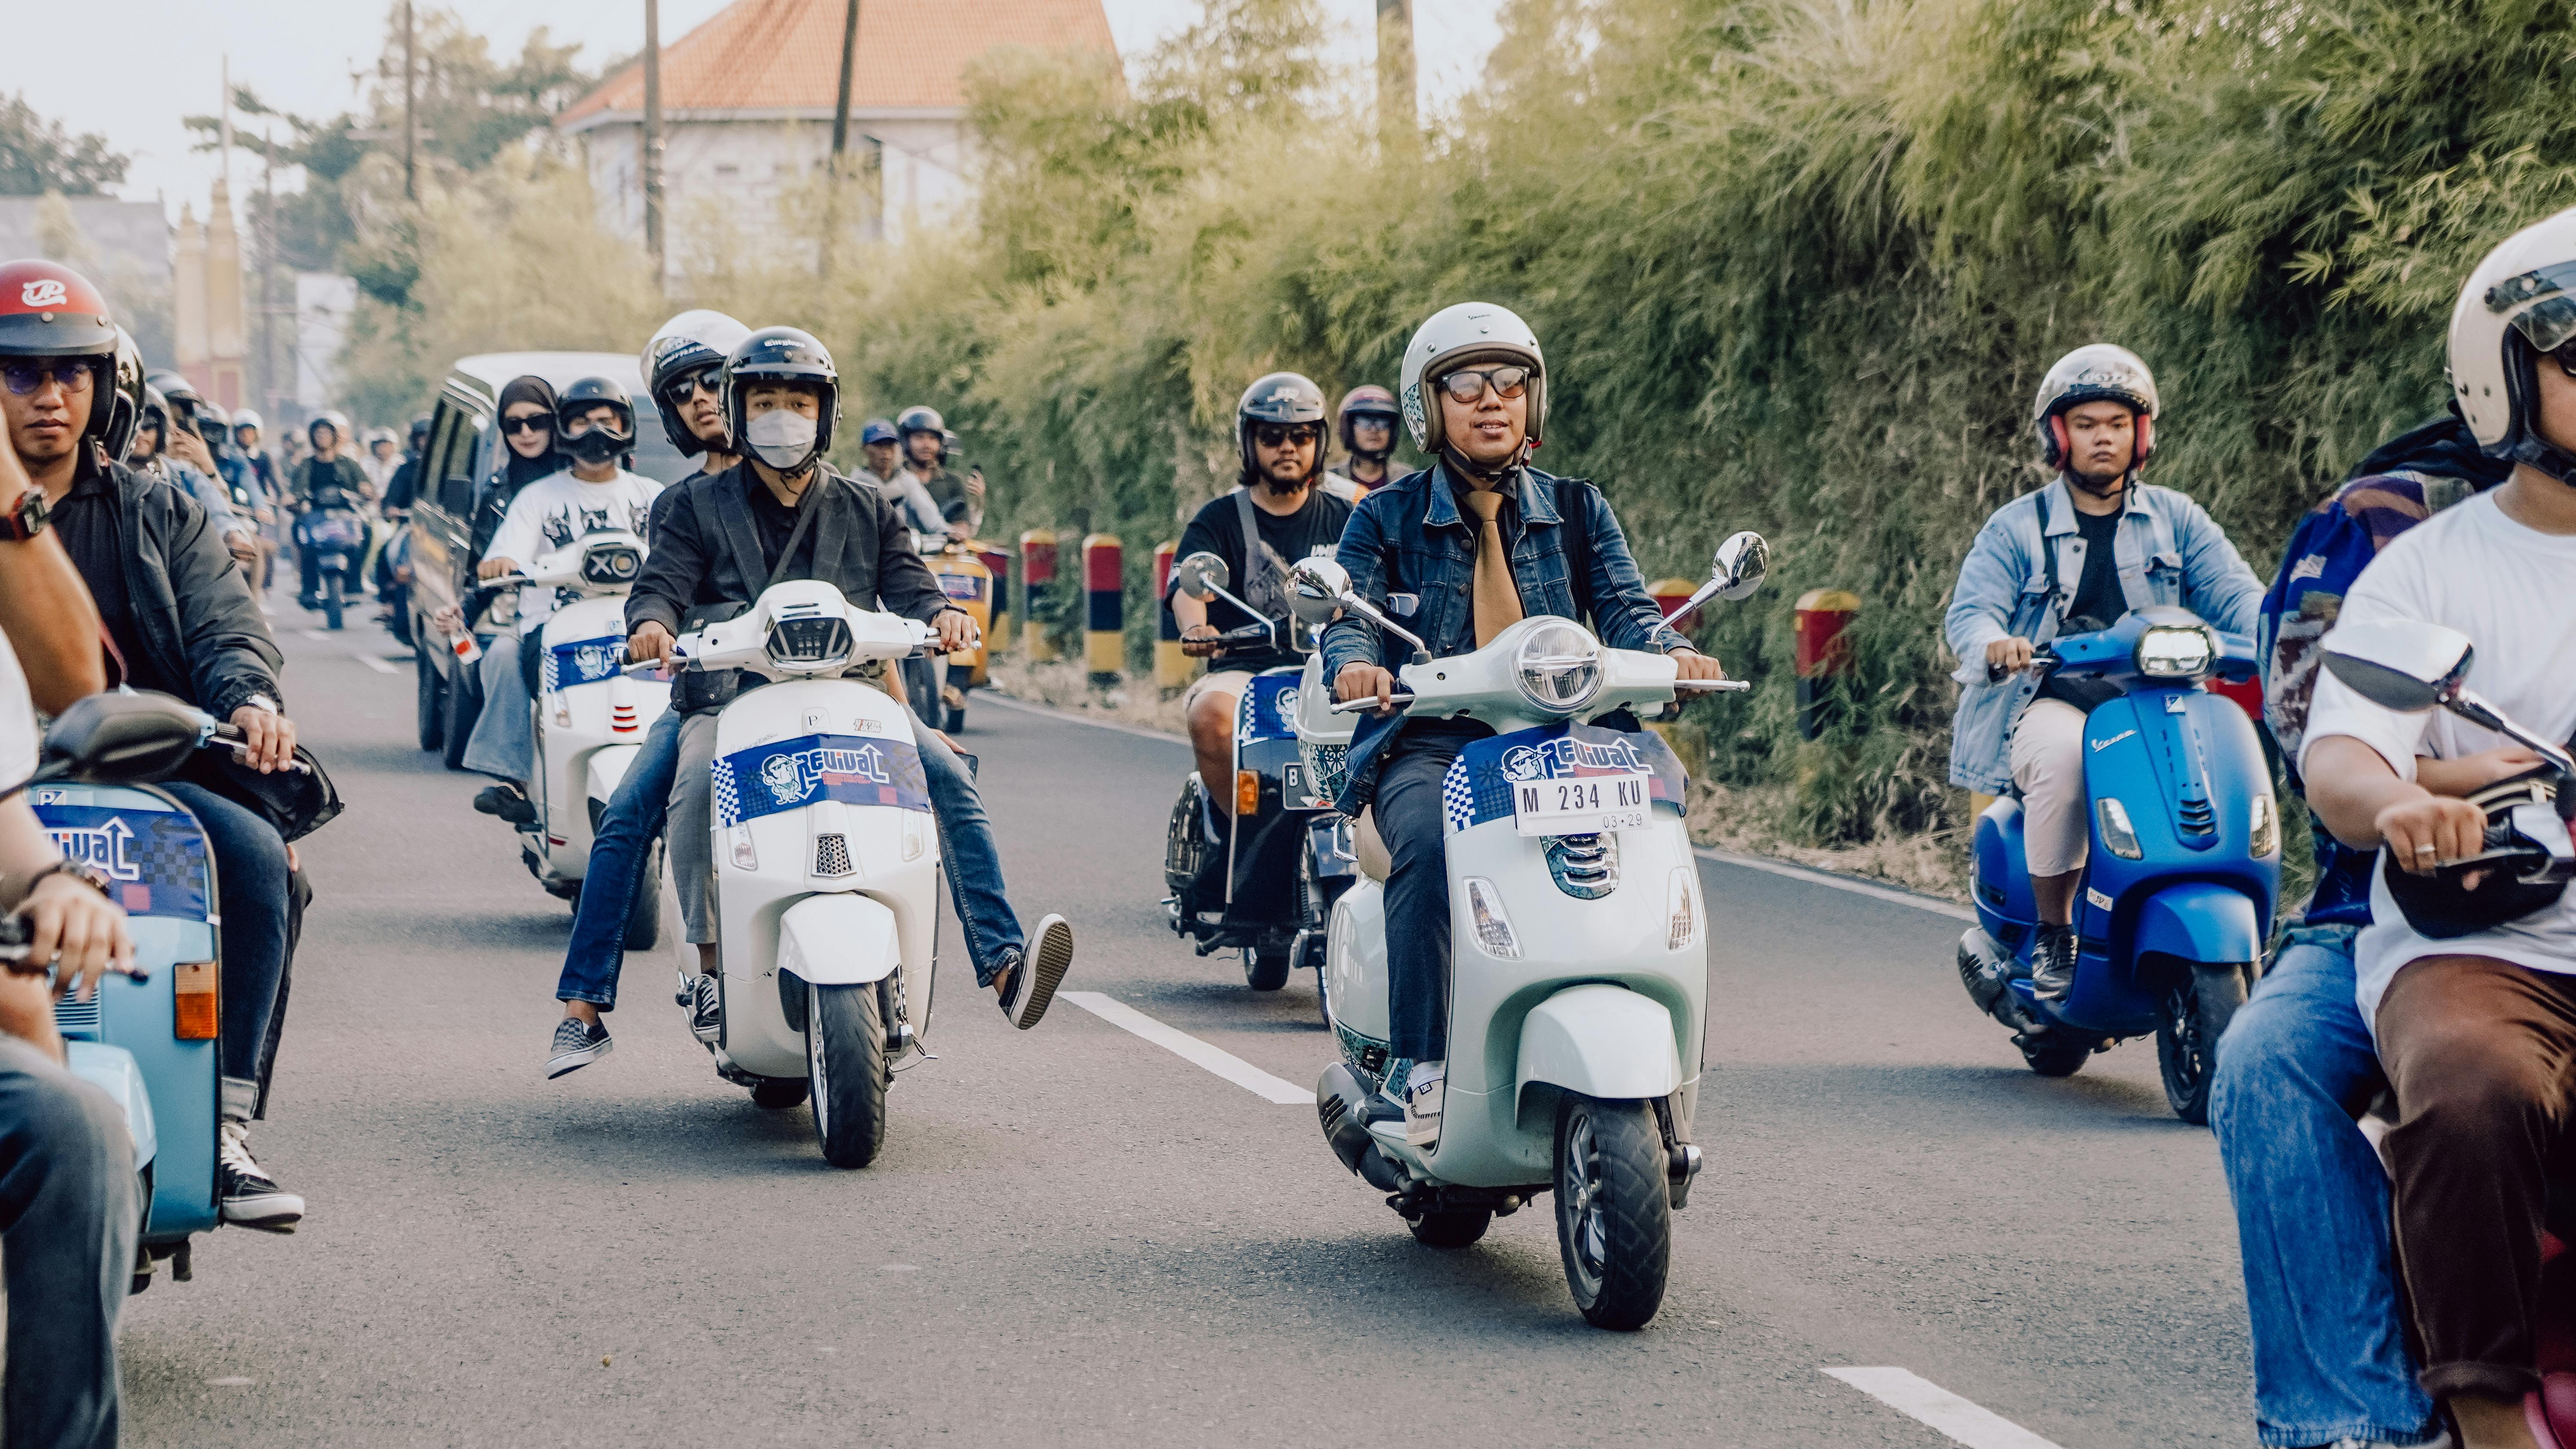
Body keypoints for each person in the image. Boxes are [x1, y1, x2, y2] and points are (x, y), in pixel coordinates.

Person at [550, 327, 1073, 1074]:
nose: (782, 415)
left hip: (849, 695)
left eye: (798, 401)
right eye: (764, 401)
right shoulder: (689, 506)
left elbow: (915, 589)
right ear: (739, 410)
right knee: (660, 797)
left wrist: (946, 618)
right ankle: (626, 995)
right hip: (722, 704)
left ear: (825, 413)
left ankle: (1004, 967)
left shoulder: (867, 506)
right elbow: (659, 586)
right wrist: (653, 626)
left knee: (949, 778)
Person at [2298, 206, 2576, 1449]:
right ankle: (2482, 1411)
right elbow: (2344, 750)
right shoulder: (2428, 569)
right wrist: (2403, 804)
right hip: (2488, 949)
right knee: (2468, 1091)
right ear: (2507, 376)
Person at [1323, 302, 1729, 1144]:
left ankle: (1666, 1056)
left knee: (1659, 824)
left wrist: (1672, 655)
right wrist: (1354, 664)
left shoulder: (1580, 509)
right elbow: (1350, 615)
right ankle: (1422, 1064)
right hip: (1435, 743)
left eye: (1512, 382)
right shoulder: (1386, 518)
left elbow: (1627, 609)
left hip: (1569, 739)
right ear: (1426, 407)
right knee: (1431, 844)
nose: (1492, 399)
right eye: (1466, 383)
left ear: (1533, 402)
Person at [2207, 400, 2509, 1449]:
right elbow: (2312, 722)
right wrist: (2450, 781)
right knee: (2263, 1062)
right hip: (2381, 908)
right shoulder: (2383, 522)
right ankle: (2352, 1419)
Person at [0, 258, 304, 1228]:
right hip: (6, 778)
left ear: (101, 387)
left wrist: (249, 695)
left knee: (260, 861)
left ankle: (223, 1123)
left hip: (136, 764)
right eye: (20, 374)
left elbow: (224, 626)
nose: (50, 396)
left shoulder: (158, 506)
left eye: (71, 374)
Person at [1942, 345, 2264, 1000]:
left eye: (2118, 424)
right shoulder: (2017, 528)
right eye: (2086, 424)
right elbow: (1971, 613)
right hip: (2055, 700)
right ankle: (2057, 933)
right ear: (2059, 436)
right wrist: (1997, 644)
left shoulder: (2179, 519)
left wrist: (2287, 634)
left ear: (2140, 435)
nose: (2103, 438)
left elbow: (2241, 596)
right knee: (2062, 767)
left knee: (2233, 768)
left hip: (2163, 702)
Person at [463, 377, 660, 822]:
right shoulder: (537, 499)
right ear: (564, 431)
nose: (595, 432)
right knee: (538, 689)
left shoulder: (651, 495)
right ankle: (532, 786)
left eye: (606, 422)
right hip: (554, 631)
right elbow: (505, 552)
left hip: (639, 628)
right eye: (582, 422)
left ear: (625, 427)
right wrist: (501, 563)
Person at [1170, 373, 1352, 812]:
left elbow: (1377, 586)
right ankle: (1240, 831)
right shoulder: (1219, 518)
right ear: (1248, 443)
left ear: (1319, 442)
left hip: (1336, 668)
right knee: (1210, 716)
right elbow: (1187, 581)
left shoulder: (1349, 518)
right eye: (1272, 436)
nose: (1288, 447)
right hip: (1246, 670)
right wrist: (1197, 626)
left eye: (1301, 435)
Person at [288, 411, 372, 609]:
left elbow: (365, 485)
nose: (322, 437)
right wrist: (292, 500)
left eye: (326, 433)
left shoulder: (349, 463)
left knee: (367, 531)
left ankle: (355, 583)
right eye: (318, 434)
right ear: (312, 438)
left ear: (335, 437)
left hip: (347, 513)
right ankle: (308, 588)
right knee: (300, 533)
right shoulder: (307, 464)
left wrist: (366, 490)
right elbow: (297, 490)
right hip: (316, 515)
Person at [894, 405, 981, 535]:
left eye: (933, 438)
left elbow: (962, 525)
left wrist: (955, 534)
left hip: (943, 554)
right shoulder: (893, 481)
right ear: (905, 442)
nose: (927, 445)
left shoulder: (953, 482)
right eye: (919, 438)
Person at [856, 416, 948, 539]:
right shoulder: (856, 483)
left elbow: (928, 513)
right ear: (865, 449)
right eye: (879, 446)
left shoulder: (907, 481)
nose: (885, 452)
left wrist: (947, 532)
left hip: (903, 546)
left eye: (890, 446)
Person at [1324, 384, 1402, 500]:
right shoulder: (1329, 482)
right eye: (1364, 421)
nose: (1374, 429)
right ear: (1348, 427)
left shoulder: (1408, 482)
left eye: (1383, 421)